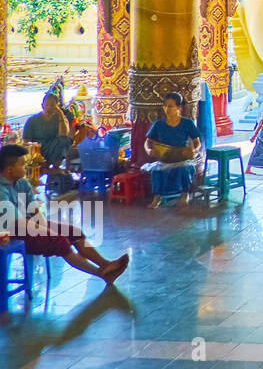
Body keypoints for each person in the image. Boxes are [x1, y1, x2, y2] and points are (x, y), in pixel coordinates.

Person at [0, 144, 129, 286]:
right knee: (59, 241)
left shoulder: (21, 183)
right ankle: (102, 275)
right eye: (22, 165)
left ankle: (105, 264)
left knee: (74, 232)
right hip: (10, 233)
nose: (25, 169)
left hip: (28, 224)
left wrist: (44, 227)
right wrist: (47, 232)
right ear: (10, 170)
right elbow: (17, 222)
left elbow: (34, 209)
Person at [144, 92, 204, 208]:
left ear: (178, 107)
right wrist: (148, 150)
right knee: (156, 171)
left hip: (181, 158)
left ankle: (184, 194)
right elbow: (147, 142)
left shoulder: (187, 123)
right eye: (165, 106)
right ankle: (157, 198)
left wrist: (193, 151)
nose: (167, 109)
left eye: (170, 106)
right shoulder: (158, 124)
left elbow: (197, 143)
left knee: (184, 169)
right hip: (164, 159)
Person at [22, 87, 74, 169]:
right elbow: (26, 140)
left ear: (57, 106)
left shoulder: (61, 118)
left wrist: (60, 115)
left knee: (65, 141)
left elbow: (63, 135)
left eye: (52, 105)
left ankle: (56, 167)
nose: (49, 107)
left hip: (54, 147)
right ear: (42, 105)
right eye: (46, 105)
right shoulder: (32, 120)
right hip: (38, 149)